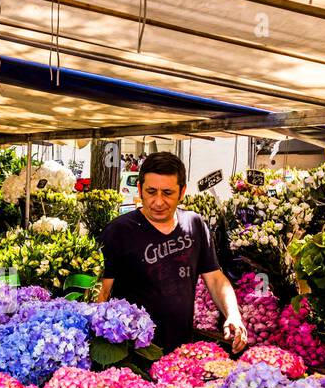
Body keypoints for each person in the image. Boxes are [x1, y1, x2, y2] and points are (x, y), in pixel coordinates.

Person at [98, 151, 247, 354]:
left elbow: (214, 278)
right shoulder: (118, 231)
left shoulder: (194, 224)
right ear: (140, 189)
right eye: (151, 192)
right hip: (133, 355)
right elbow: (102, 293)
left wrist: (233, 314)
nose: (159, 202)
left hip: (181, 350)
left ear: (182, 191)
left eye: (167, 193)